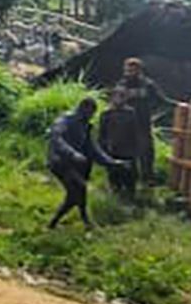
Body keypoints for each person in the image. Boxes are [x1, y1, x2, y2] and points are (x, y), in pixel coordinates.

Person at [46, 97, 123, 230]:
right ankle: (83, 221)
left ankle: (59, 223)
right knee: (79, 188)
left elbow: (92, 149)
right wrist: (72, 153)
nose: (91, 116)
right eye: (90, 113)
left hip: (74, 164)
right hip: (59, 161)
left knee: (78, 192)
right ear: (83, 109)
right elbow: (56, 139)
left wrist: (112, 162)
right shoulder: (65, 120)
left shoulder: (86, 126)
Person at [107, 57, 169, 186]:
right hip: (125, 126)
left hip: (143, 123)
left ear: (139, 70)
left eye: (132, 71)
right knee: (127, 153)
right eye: (127, 70)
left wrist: (157, 114)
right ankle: (128, 180)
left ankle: (148, 178)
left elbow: (162, 100)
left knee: (146, 151)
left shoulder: (148, 84)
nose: (129, 73)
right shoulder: (121, 85)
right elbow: (113, 103)